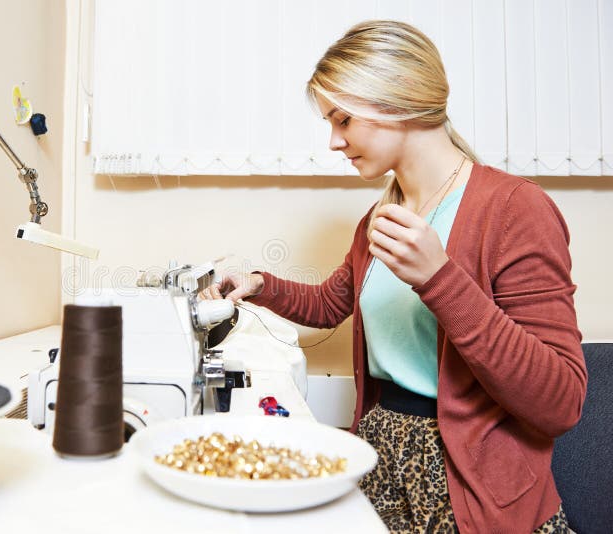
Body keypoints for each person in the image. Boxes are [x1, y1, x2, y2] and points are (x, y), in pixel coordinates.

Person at [199, 20, 586, 533]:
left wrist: (440, 278)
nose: (334, 142)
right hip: (383, 464)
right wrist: (260, 284)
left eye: (343, 120)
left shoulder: (515, 209)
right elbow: (332, 303)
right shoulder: (382, 216)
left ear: (398, 102)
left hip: (475, 488)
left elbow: (559, 401)